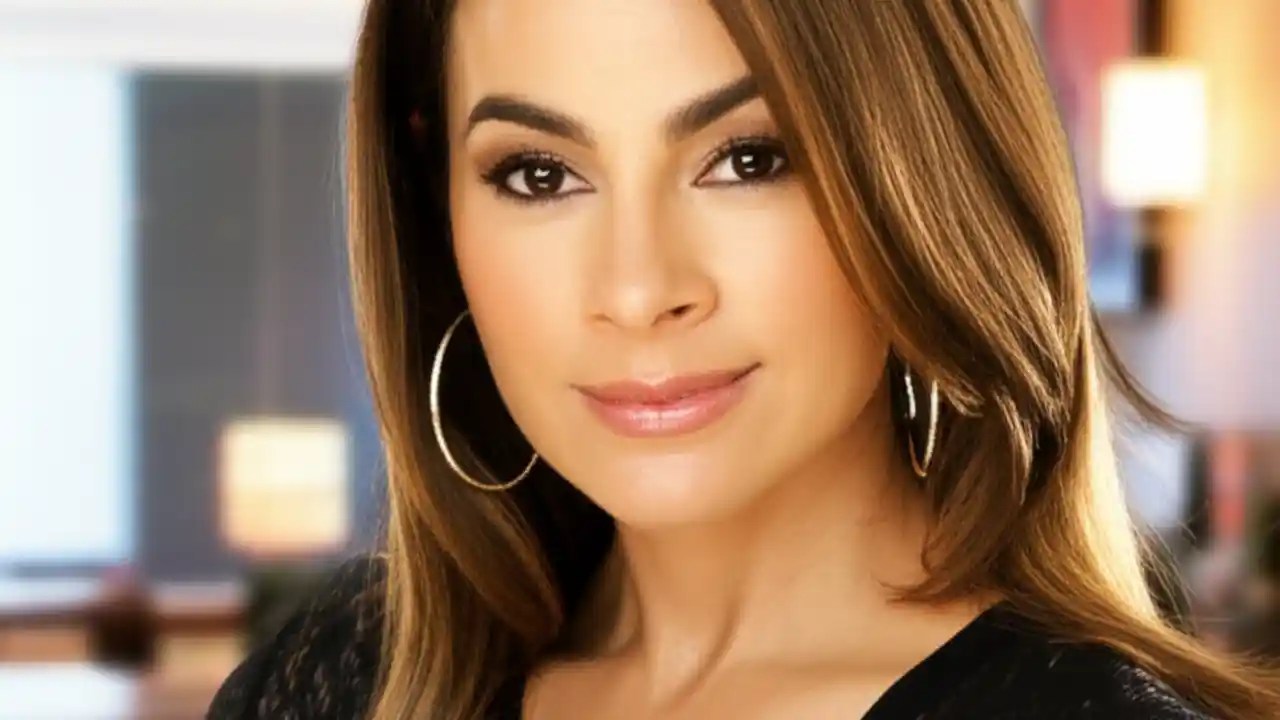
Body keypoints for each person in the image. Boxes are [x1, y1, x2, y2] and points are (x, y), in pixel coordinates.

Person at [207, 1, 1280, 718]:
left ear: (919, 187)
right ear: (434, 197)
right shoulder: (337, 677)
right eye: (538, 174)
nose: (635, 289)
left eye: (746, 159)